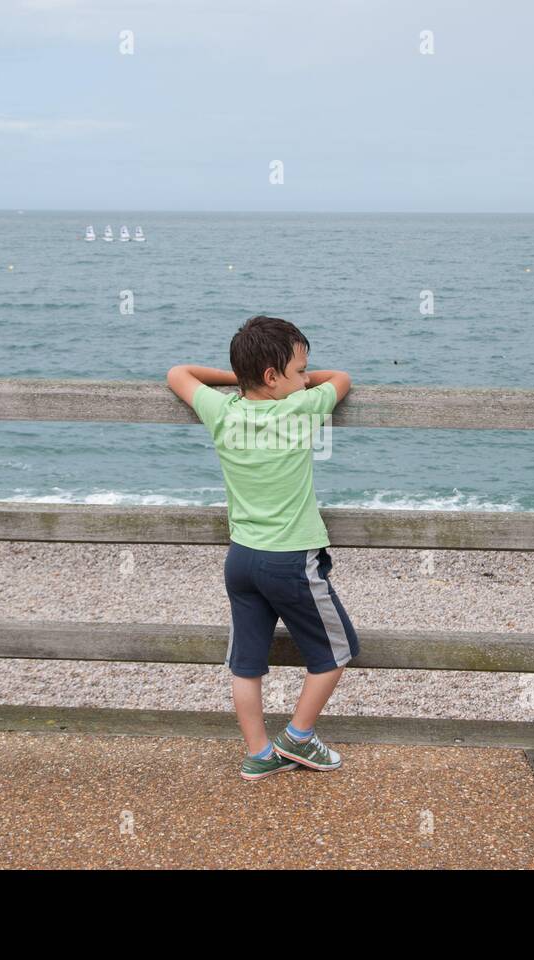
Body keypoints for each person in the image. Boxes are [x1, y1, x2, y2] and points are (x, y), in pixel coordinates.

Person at [166, 315, 358, 780]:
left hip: (242, 560)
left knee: (246, 662)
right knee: (338, 650)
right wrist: (298, 382)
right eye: (298, 371)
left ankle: (258, 752)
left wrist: (242, 378)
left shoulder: (223, 411)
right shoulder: (299, 410)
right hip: (290, 559)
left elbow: (177, 373)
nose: (307, 378)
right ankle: (298, 736)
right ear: (273, 378)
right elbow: (343, 380)